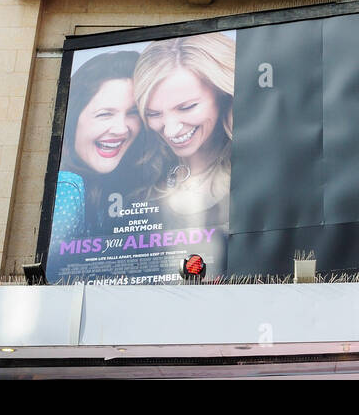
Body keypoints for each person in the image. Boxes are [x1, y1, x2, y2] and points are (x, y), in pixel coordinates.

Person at [133, 34, 236, 268]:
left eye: (187, 107)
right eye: (154, 114)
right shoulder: (142, 187)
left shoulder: (258, 174)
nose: (170, 130)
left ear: (223, 94)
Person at [50, 50, 151, 258]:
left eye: (132, 113)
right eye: (105, 114)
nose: (121, 129)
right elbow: (54, 273)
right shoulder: (67, 189)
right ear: (72, 120)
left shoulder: (112, 184)